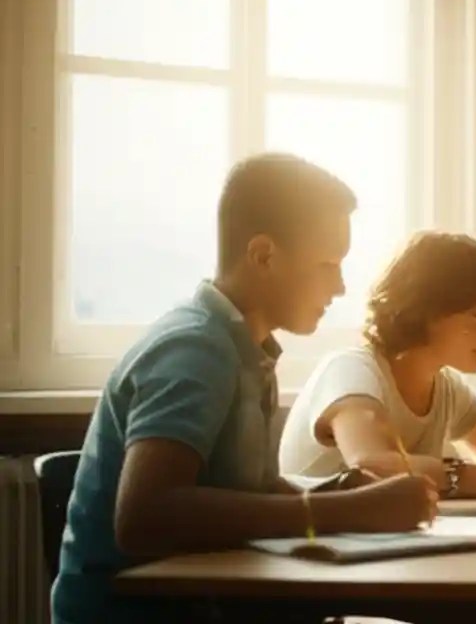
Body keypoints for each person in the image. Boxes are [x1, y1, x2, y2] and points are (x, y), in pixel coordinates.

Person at [52, 154, 436, 624]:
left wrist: (336, 493)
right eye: (328, 265)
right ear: (263, 256)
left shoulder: (244, 347)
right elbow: (144, 517)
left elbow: (238, 491)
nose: (339, 287)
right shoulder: (195, 349)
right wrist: (348, 511)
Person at [279, 231, 476, 498]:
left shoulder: (443, 388)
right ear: (425, 312)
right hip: (310, 556)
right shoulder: (350, 369)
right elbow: (374, 465)